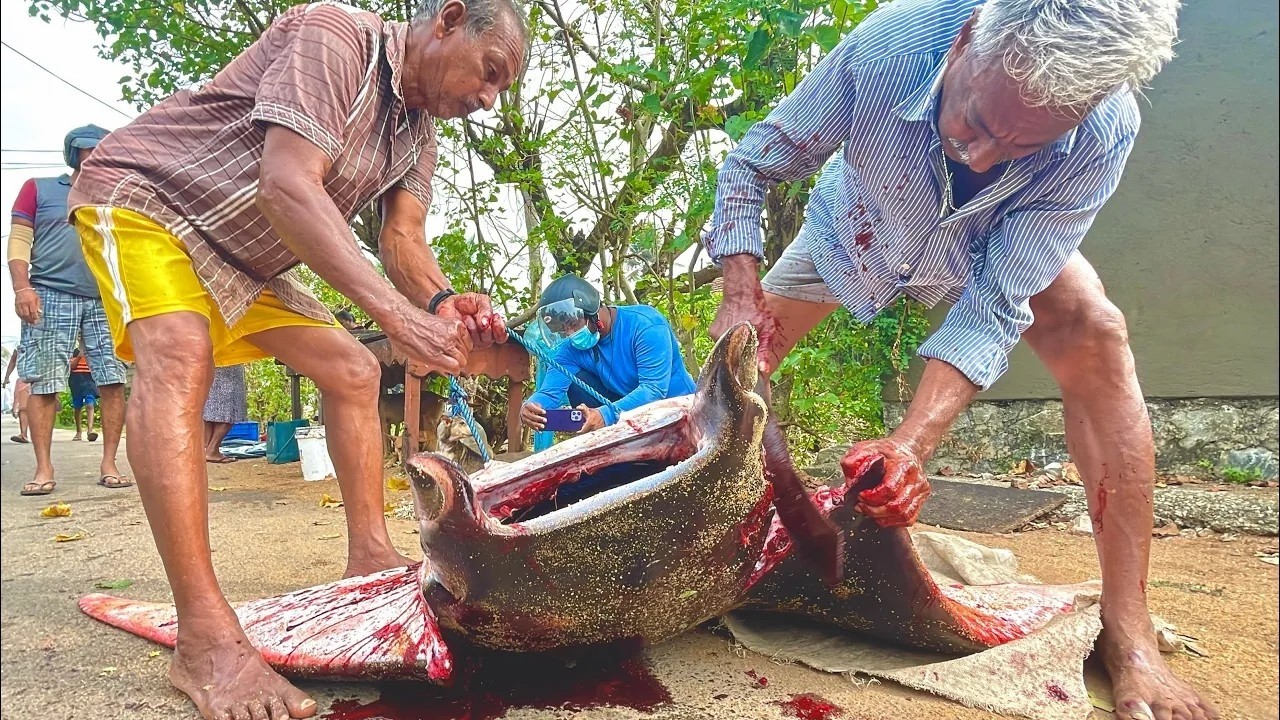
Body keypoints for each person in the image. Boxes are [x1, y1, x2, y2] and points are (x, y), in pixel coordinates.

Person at [702, 1, 1215, 719]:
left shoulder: (1102, 131)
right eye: (973, 121)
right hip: (856, 232)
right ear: (970, 37)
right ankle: (685, 555)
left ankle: (1127, 634)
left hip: (987, 248)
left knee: (1099, 333)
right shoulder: (888, 47)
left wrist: (912, 444)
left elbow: (995, 304)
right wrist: (737, 289)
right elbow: (753, 162)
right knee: (733, 370)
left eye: (1022, 147)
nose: (979, 157)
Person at [66, 1, 526, 717]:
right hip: (151, 201)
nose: (488, 99)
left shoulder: (418, 131)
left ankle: (369, 557)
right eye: (489, 73)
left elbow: (402, 242)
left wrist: (441, 304)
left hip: (246, 255)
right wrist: (394, 315)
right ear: (447, 21)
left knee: (353, 370)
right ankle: (206, 641)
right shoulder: (335, 34)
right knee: (180, 349)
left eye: (501, 91)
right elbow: (287, 183)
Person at [7, 124, 130, 496]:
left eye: (102, 150)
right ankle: (44, 468)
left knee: (112, 380)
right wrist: (22, 288)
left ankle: (109, 462)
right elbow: (19, 240)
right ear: (72, 154)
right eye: (86, 151)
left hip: (105, 298)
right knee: (45, 382)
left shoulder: (119, 196)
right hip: (48, 293)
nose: (94, 156)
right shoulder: (40, 188)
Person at [520, 274, 696, 436]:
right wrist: (532, 407)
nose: (570, 333)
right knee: (576, 383)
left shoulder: (645, 325)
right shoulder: (569, 350)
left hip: (679, 411)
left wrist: (604, 415)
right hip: (628, 413)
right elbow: (549, 393)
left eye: (573, 324)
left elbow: (653, 390)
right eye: (563, 330)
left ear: (591, 310)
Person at [203, 364, 248, 464]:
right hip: (229, 360)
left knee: (210, 406)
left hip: (211, 360)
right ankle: (212, 450)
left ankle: (208, 448)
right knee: (230, 410)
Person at [69, 344, 100, 441]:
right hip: (76, 380)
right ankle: (78, 431)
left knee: (90, 404)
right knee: (77, 407)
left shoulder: (92, 350)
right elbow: (71, 366)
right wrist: (79, 355)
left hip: (89, 380)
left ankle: (90, 431)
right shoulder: (73, 351)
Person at [3, 348, 31, 443]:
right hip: (24, 378)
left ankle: (42, 434)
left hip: (39, 377)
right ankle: (23, 434)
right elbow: (13, 360)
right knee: (23, 407)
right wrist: (6, 377)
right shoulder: (20, 345)